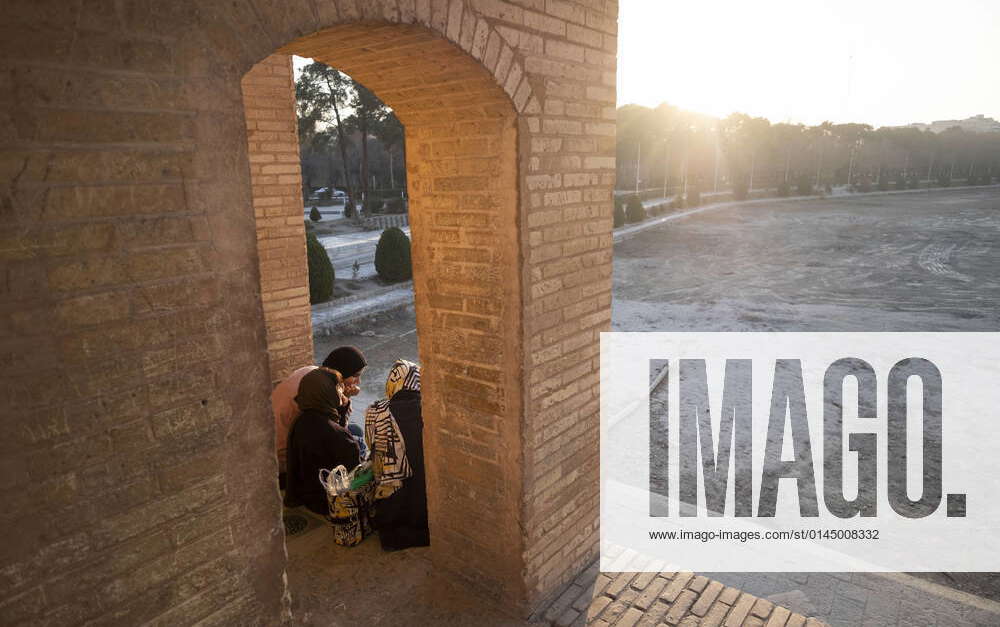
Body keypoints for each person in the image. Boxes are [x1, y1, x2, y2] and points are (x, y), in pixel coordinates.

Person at [272, 346, 368, 481]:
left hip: (291, 441)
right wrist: (345, 400)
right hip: (287, 461)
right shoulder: (317, 395)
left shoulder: (313, 374)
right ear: (342, 372)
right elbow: (336, 430)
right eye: (355, 376)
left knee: (356, 430)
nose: (358, 382)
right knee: (357, 445)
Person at [365, 359, 429, 551]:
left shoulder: (376, 411)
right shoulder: (429, 410)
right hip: (425, 512)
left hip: (392, 514)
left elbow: (371, 448)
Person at [284, 368, 361, 515]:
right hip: (328, 503)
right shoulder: (335, 433)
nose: (341, 391)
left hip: (307, 497)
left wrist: (343, 407)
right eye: (338, 387)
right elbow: (353, 466)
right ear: (327, 392)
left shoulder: (301, 420)